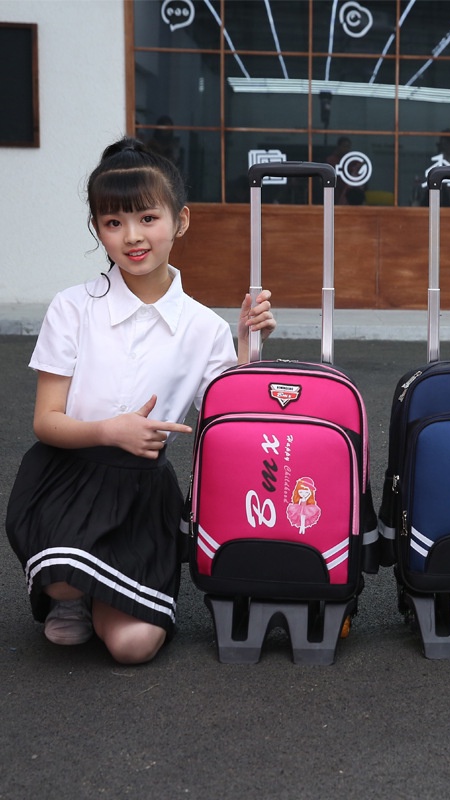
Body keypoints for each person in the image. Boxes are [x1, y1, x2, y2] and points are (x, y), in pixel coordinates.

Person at [5, 137, 277, 665]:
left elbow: (229, 424)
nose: (132, 236)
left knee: (134, 647)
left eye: (148, 217)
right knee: (65, 582)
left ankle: (93, 592)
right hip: (66, 479)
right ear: (97, 229)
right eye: (112, 222)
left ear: (181, 221)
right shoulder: (72, 308)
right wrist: (111, 430)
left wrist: (245, 350)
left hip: (141, 492)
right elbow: (46, 422)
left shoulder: (204, 327)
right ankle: (69, 595)